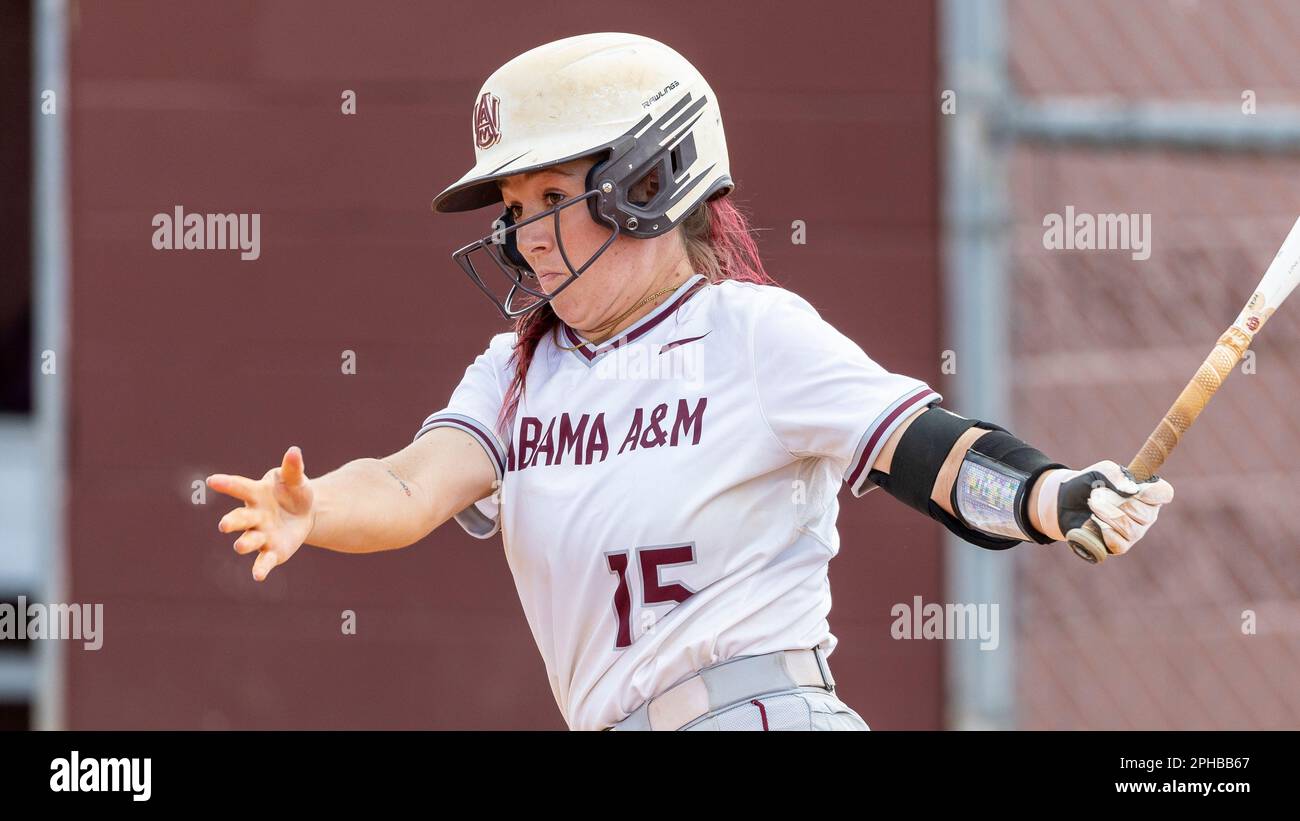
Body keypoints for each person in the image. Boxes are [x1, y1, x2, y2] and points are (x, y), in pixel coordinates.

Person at [206, 32, 1174, 731]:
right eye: (511, 207)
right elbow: (414, 482)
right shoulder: (514, 371)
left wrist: (1052, 493)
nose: (525, 233)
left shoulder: (745, 332)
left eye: (553, 196)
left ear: (649, 183)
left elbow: (923, 448)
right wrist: (314, 506)